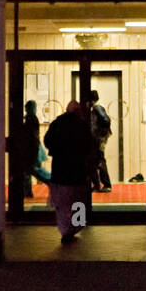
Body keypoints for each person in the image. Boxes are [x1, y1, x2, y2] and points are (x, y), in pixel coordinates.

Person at [43, 100, 97, 241]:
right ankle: (77, 226)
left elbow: (47, 141)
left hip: (60, 169)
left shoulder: (57, 124)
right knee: (78, 199)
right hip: (77, 169)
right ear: (77, 111)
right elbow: (89, 146)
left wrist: (57, 150)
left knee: (61, 203)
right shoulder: (82, 125)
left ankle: (64, 230)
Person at [21, 99, 51, 197]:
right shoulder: (33, 118)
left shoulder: (30, 119)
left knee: (33, 170)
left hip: (32, 149)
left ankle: (51, 181)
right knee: (33, 170)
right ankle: (27, 192)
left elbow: (31, 136)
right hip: (35, 148)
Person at [87, 89, 113, 193]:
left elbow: (106, 120)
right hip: (98, 139)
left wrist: (101, 135)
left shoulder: (96, 108)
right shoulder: (95, 109)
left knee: (100, 161)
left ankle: (106, 184)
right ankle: (97, 184)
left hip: (99, 139)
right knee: (95, 161)